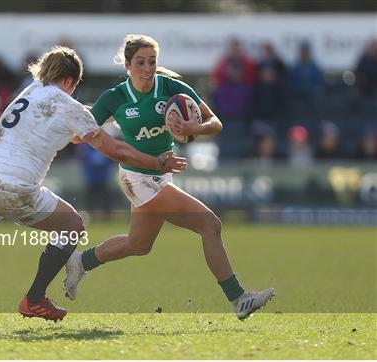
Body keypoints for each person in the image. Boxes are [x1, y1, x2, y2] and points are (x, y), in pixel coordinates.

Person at [0, 46, 187, 330]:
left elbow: (73, 133)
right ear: (70, 80)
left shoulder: (29, 91)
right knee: (72, 227)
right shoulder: (68, 105)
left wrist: (97, 116)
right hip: (13, 188)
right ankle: (35, 299)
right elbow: (115, 151)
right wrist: (155, 162)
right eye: (75, 85)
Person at [64, 35, 275, 321]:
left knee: (139, 245)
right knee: (210, 225)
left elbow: (215, 122)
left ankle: (80, 261)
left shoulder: (173, 88)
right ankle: (239, 298)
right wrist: (76, 128)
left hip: (162, 177)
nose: (148, 68)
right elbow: (82, 134)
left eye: (152, 61)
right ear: (128, 65)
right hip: (137, 178)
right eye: (140, 62)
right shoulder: (115, 97)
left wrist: (195, 127)